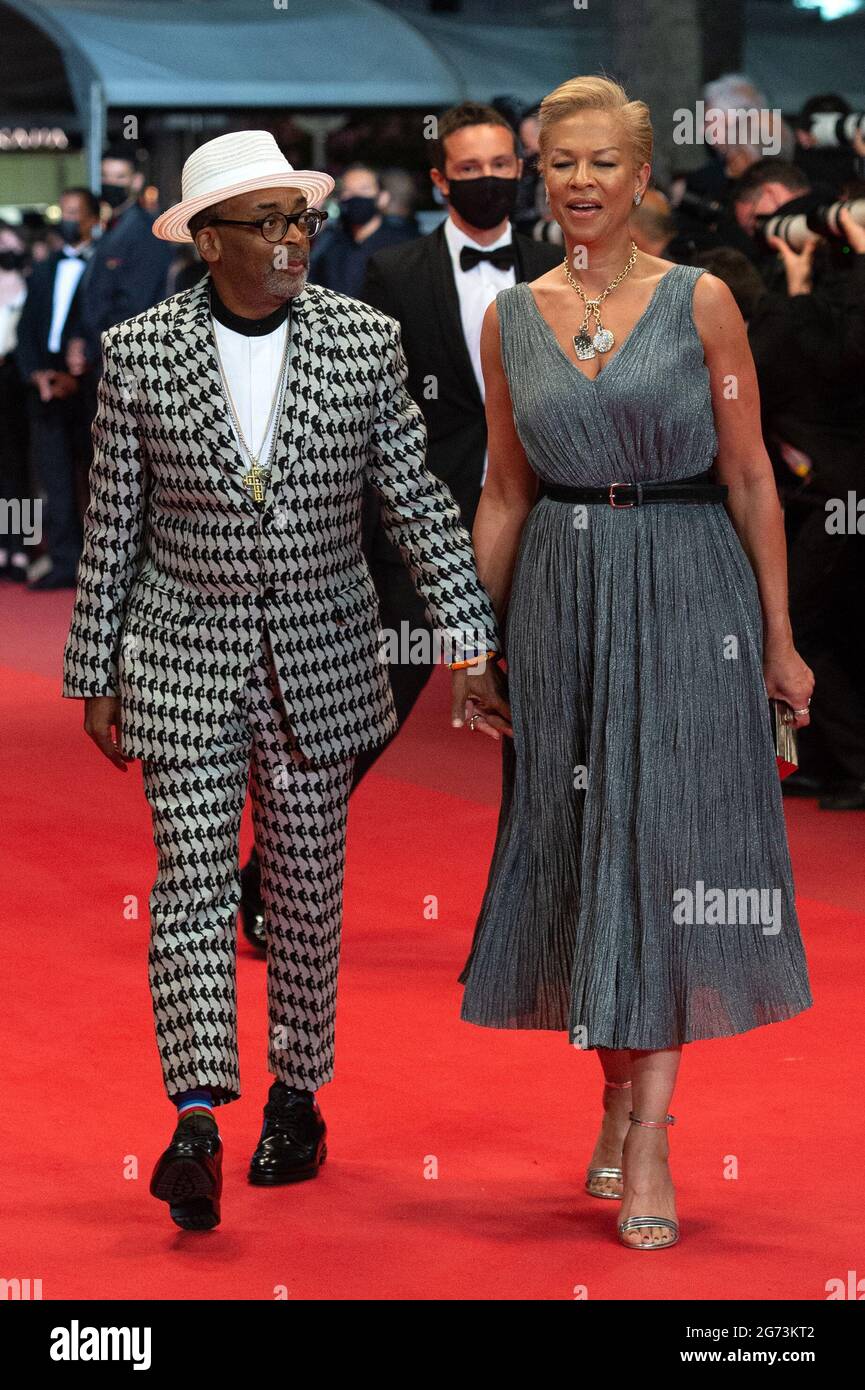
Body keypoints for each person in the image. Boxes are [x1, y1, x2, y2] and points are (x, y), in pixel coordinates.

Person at [61, 130, 500, 1232]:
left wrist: (468, 629)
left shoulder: (362, 341)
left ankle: (297, 1096)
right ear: (209, 242)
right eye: (268, 224)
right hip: (179, 659)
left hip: (324, 661)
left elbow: (412, 497)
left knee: (303, 895)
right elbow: (112, 523)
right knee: (193, 887)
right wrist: (93, 673)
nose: (295, 239)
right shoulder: (140, 352)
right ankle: (197, 1116)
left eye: (300, 220)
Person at [452, 76, 814, 1252]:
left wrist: (776, 636)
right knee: (572, 851)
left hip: (687, 582)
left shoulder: (701, 301)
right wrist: (470, 632)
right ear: (539, 175)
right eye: (561, 162)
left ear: (643, 175)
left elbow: (752, 475)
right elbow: (505, 485)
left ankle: (653, 1132)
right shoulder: (510, 318)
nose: (580, 182)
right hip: (561, 590)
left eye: (603, 161)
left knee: (661, 853)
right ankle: (613, 1085)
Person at [15, 188, 101, 588]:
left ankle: (95, 564)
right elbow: (27, 327)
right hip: (46, 388)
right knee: (54, 476)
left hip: (87, 390)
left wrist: (76, 376)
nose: (67, 219)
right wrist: (37, 374)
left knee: (92, 478)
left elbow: (101, 322)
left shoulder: (102, 265)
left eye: (74, 212)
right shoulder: (46, 266)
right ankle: (63, 558)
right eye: (62, 212)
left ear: (91, 219)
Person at [65, 146, 175, 376]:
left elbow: (135, 305)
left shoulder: (146, 232)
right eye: (105, 176)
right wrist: (77, 339)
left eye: (119, 177)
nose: (110, 183)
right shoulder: (109, 228)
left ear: (136, 182)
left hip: (127, 362)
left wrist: (89, 348)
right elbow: (92, 292)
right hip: (101, 359)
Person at [308, 163, 415, 297]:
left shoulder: (403, 246)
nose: (355, 197)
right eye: (348, 191)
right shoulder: (330, 244)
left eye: (364, 189)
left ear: (382, 197)